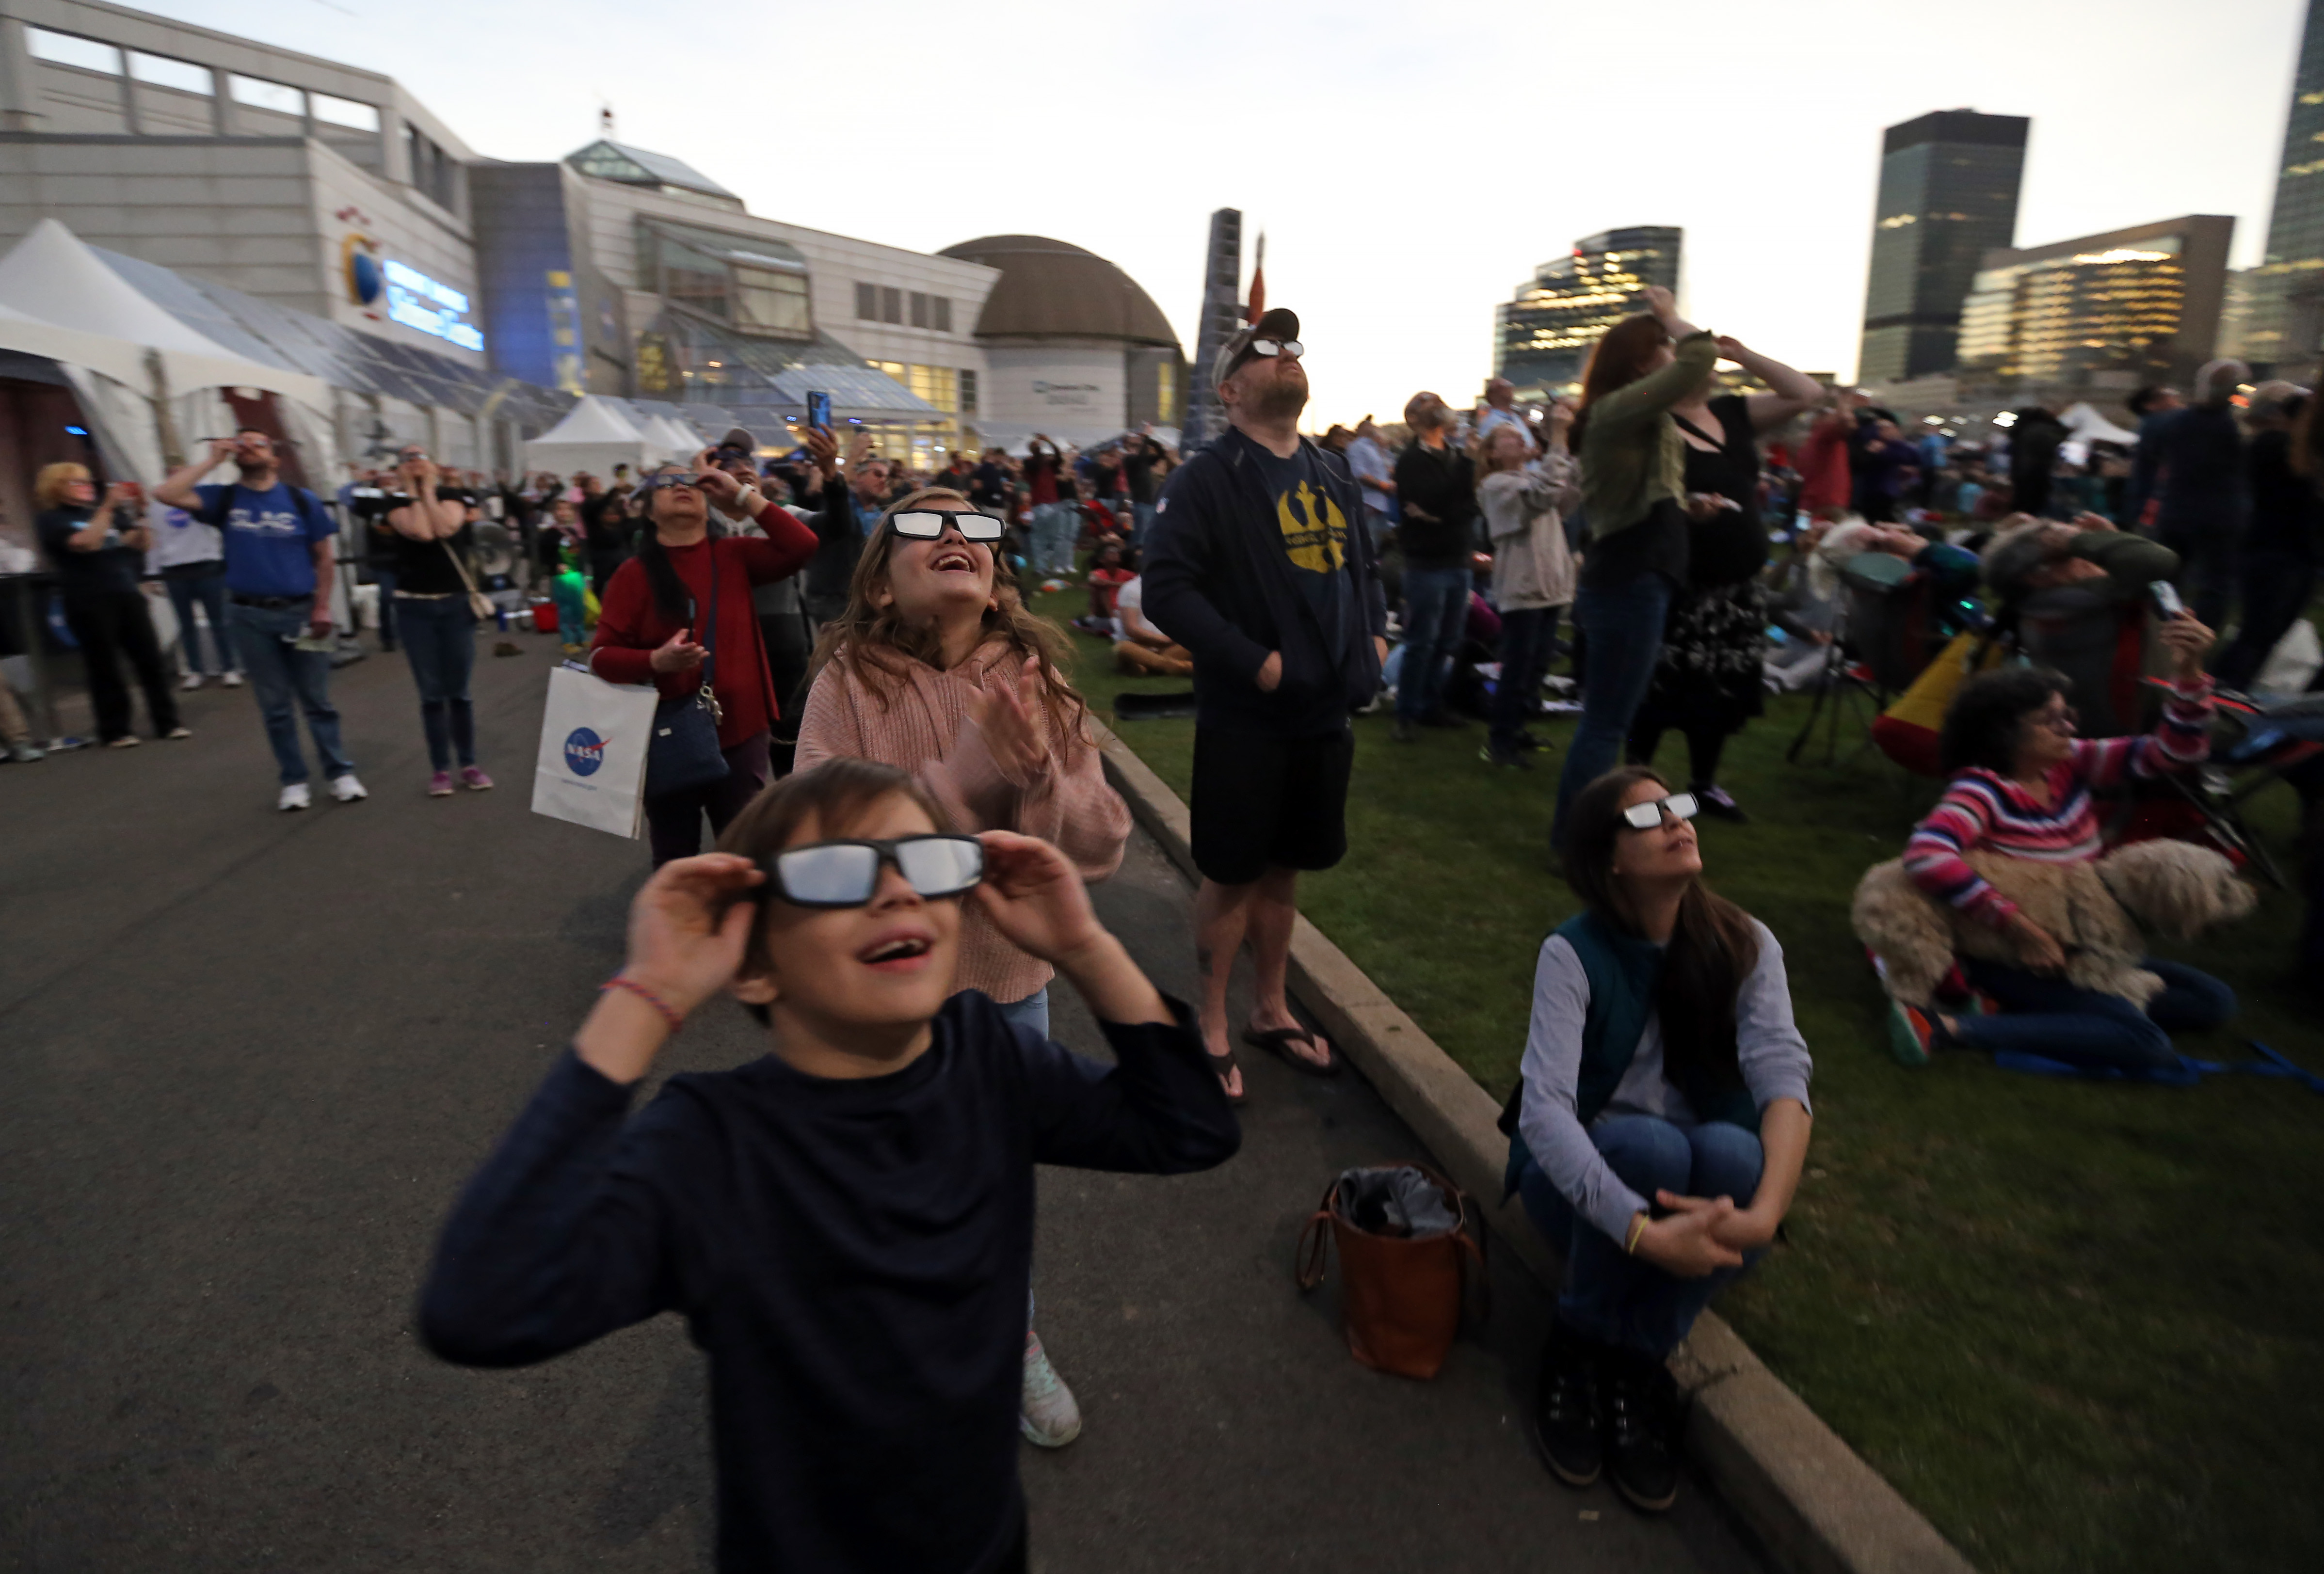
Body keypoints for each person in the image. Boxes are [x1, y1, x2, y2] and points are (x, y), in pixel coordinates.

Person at [419, 760, 1239, 1574]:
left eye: (924, 860)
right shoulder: (712, 1145)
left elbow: (1189, 1130)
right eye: (837, 872)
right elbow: (482, 1305)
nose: (896, 892)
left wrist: (1086, 945)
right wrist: (646, 994)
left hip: (984, 1540)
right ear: (752, 960)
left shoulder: (989, 1058)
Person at [795, 482, 1133, 1447]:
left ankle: (1008, 1335)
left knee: (990, 1187)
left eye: (974, 525)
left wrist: (1035, 783)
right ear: (879, 581)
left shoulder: (1033, 680)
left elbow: (1100, 843)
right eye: (924, 524)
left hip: (1002, 992)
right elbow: (829, 843)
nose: (955, 534)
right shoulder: (848, 686)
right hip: (877, 1001)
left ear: (993, 580)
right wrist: (964, 780)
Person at [1507, 767, 1812, 1513]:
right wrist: (1643, 1234)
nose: (1680, 819)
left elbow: (1784, 1076)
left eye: (1678, 805)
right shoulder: (1571, 951)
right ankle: (1577, 1348)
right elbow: (1544, 1114)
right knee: (1649, 1146)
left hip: (1701, 1183)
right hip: (1584, 1183)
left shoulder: (1745, 942)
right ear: (1608, 856)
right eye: (1648, 817)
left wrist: (1768, 1211)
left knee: (1742, 1158)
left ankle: (1635, 1364)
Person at [1143, 307, 1389, 1100]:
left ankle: (1272, 1009)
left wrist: (1375, 639)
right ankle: (1211, 1022)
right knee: (1231, 875)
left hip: (1325, 715)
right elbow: (1166, 591)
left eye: (1291, 347)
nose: (1284, 356)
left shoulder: (1333, 470)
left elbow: (1367, 569)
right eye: (1264, 350)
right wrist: (1255, 664)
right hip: (1249, 717)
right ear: (1230, 389)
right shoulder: (1207, 478)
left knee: (1284, 874)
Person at [1893, 618, 2236, 1069]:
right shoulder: (1981, 791)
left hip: (2078, 946)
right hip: (2001, 952)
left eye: (2066, 715)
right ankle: (1944, 1025)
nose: (2068, 728)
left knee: (2212, 1000)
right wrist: (2021, 929)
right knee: (2142, 1038)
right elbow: (1926, 856)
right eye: (2050, 721)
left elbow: (2173, 755)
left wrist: (2189, 673)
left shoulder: (2068, 765)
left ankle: (2047, 1011)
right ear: (2005, 734)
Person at [1625, 328, 1823, 820]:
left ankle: (1702, 786)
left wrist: (1742, 355)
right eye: (1680, 357)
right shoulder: (1650, 416)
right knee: (1659, 690)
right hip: (1680, 582)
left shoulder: (1733, 413)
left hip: (1736, 589)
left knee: (1720, 691)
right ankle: (1632, 787)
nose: (1704, 364)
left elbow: (1806, 393)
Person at [1550, 286, 1720, 848]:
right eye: (1663, 346)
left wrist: (1684, 509)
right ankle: (1578, 842)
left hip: (1632, 575)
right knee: (1605, 724)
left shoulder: (1630, 415)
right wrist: (1670, 317)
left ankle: (1581, 836)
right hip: (1628, 579)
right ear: (1643, 361)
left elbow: (1638, 493)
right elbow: (1698, 360)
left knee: (1607, 720)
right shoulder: (1618, 408)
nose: (1673, 351)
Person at [588, 459, 819, 865]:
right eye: (667, 482)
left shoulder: (732, 554)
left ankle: (739, 926)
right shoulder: (633, 574)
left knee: (744, 850)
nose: (682, 486)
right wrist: (655, 660)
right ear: (646, 507)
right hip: (667, 732)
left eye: (691, 481)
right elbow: (601, 657)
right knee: (676, 852)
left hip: (742, 727)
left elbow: (803, 545)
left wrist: (743, 496)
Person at [156, 432, 364, 808]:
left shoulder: (303, 500)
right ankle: (294, 779)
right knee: (275, 704)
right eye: (243, 444)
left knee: (318, 698)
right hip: (248, 615)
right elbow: (165, 494)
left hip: (303, 612)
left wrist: (322, 607)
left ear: (275, 458)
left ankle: (340, 772)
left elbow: (325, 558)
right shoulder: (225, 496)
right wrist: (211, 461)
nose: (249, 448)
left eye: (259, 444)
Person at [33, 463, 187, 748]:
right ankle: (115, 729)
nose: (87, 486)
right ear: (58, 487)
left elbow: (141, 544)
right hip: (88, 598)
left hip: (126, 592)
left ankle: (168, 722)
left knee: (150, 660)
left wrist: (141, 514)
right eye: (77, 482)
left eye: (87, 481)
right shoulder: (52, 519)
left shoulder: (108, 512)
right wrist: (106, 507)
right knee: (104, 666)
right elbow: (87, 543)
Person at [382, 449, 492, 796]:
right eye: (408, 458)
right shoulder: (390, 502)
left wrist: (429, 488)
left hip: (455, 604)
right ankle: (440, 769)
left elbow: (444, 527)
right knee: (431, 694)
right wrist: (412, 492)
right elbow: (421, 531)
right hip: (414, 607)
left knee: (459, 691)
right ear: (399, 467)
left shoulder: (452, 496)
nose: (415, 462)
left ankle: (469, 763)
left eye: (421, 457)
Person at [1477, 410, 1578, 768]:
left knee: (1535, 667)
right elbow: (1544, 493)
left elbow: (1564, 500)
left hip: (1548, 585)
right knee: (1518, 669)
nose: (1518, 437)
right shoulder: (1495, 486)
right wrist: (1558, 439)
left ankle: (1518, 728)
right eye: (1507, 436)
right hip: (1523, 588)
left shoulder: (1528, 477)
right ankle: (1500, 742)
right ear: (1491, 453)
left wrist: (1568, 452)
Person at [2215, 384, 2320, 692]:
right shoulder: (2273, 445)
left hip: (2294, 554)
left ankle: (2231, 692)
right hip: (2274, 554)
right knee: (2257, 634)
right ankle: (2222, 692)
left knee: (2268, 636)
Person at [1392, 390, 1480, 740]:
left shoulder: (1454, 456)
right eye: (1426, 403)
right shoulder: (1412, 460)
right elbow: (1437, 499)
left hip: (1456, 558)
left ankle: (1430, 705)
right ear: (1413, 419)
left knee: (1448, 640)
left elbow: (1464, 505)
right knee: (1421, 641)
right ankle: (1407, 713)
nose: (1437, 406)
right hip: (1427, 563)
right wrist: (1449, 500)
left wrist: (1440, 513)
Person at [148, 482, 243, 692]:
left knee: (220, 620)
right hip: (173, 568)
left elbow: (221, 528)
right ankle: (195, 671)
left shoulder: (202, 499)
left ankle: (230, 668)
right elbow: (154, 539)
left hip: (208, 564)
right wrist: (152, 573)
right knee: (186, 623)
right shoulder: (156, 506)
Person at [1112, 557, 1193, 676]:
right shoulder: (1131, 590)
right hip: (1140, 647)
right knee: (1123, 648)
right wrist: (1163, 640)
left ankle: (1149, 667)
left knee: (1196, 640)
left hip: (1166, 650)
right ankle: (1181, 667)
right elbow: (1131, 629)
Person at [1344, 415, 1398, 545]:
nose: (1373, 427)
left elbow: (1387, 469)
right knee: (1370, 545)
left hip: (1381, 505)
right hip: (1369, 504)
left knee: (1381, 545)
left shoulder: (1374, 448)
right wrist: (1385, 486)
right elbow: (1360, 474)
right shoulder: (1357, 447)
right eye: (1369, 425)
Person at [1475, 377, 1533, 450]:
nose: (1510, 390)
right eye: (1504, 387)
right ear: (1492, 394)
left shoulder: (1516, 418)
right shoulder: (1490, 423)